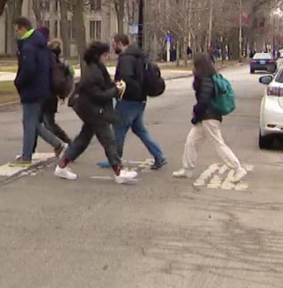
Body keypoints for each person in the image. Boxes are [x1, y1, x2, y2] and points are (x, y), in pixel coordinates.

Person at [54, 41, 139, 184]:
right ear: (97, 55)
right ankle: (118, 172)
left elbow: (103, 87)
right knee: (108, 140)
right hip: (94, 110)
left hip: (91, 110)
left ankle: (62, 165)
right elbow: (99, 95)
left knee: (83, 139)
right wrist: (116, 90)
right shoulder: (93, 72)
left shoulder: (96, 69)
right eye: (105, 55)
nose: (107, 57)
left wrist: (114, 86)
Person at [172, 53, 247, 183]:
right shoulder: (208, 77)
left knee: (218, 144)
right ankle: (187, 169)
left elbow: (204, 100)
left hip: (209, 117)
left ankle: (237, 168)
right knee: (191, 142)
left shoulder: (206, 80)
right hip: (205, 117)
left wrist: (196, 111)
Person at [99, 34, 166, 171]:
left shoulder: (126, 58)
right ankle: (159, 156)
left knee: (118, 129)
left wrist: (117, 89)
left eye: (114, 44)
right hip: (140, 100)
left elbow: (126, 79)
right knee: (140, 129)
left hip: (128, 100)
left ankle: (115, 160)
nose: (113, 46)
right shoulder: (139, 56)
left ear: (119, 43)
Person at [13, 17, 63, 165]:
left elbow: (28, 70)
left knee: (29, 122)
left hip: (31, 89)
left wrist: (18, 82)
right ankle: (57, 144)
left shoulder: (28, 47)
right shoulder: (40, 44)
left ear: (23, 29)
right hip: (41, 88)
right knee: (32, 122)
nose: (16, 34)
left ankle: (26, 156)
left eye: (17, 30)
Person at [42, 38, 72, 147]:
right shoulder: (58, 62)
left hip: (47, 95)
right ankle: (63, 142)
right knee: (46, 123)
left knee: (47, 123)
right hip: (51, 95)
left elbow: (55, 80)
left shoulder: (50, 61)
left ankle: (63, 143)